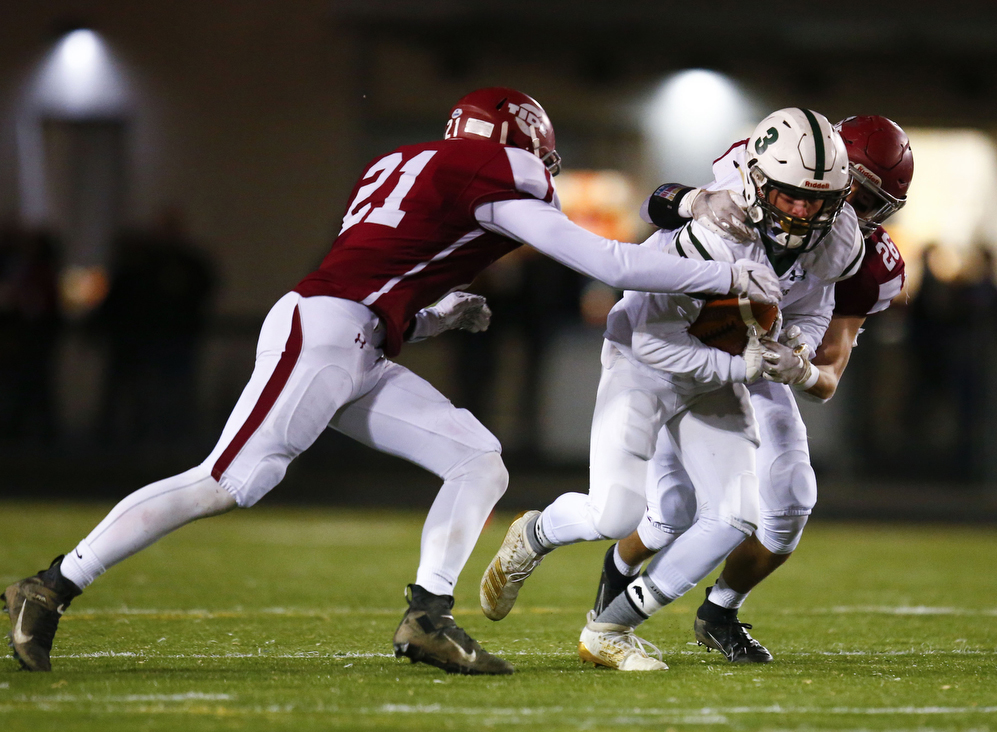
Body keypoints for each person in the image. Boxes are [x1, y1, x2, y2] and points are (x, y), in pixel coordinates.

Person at [2, 87, 780, 676]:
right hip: (326, 331)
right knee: (231, 481)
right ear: (518, 148)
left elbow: (378, 275)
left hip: (355, 336)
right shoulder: (496, 170)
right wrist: (728, 273)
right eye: (538, 161)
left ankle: (426, 616)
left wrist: (436, 316)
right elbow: (607, 263)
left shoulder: (397, 166)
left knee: (477, 458)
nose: (543, 175)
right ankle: (52, 584)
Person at [479, 108, 864, 670]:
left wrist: (798, 345)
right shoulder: (711, 235)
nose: (803, 212)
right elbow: (652, 343)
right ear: (757, 182)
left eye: (817, 200)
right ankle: (534, 533)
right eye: (788, 196)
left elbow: (816, 304)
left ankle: (608, 631)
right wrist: (745, 366)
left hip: (719, 369)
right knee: (616, 514)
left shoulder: (838, 236)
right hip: (646, 363)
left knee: (738, 514)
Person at [590, 114, 913, 664]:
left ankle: (719, 611)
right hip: (694, 339)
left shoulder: (855, 257)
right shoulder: (767, 184)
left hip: (765, 358)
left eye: (870, 203)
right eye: (849, 189)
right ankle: (616, 578)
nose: (846, 210)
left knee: (790, 499)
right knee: (671, 506)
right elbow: (658, 207)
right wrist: (693, 200)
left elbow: (827, 375)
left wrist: (801, 363)